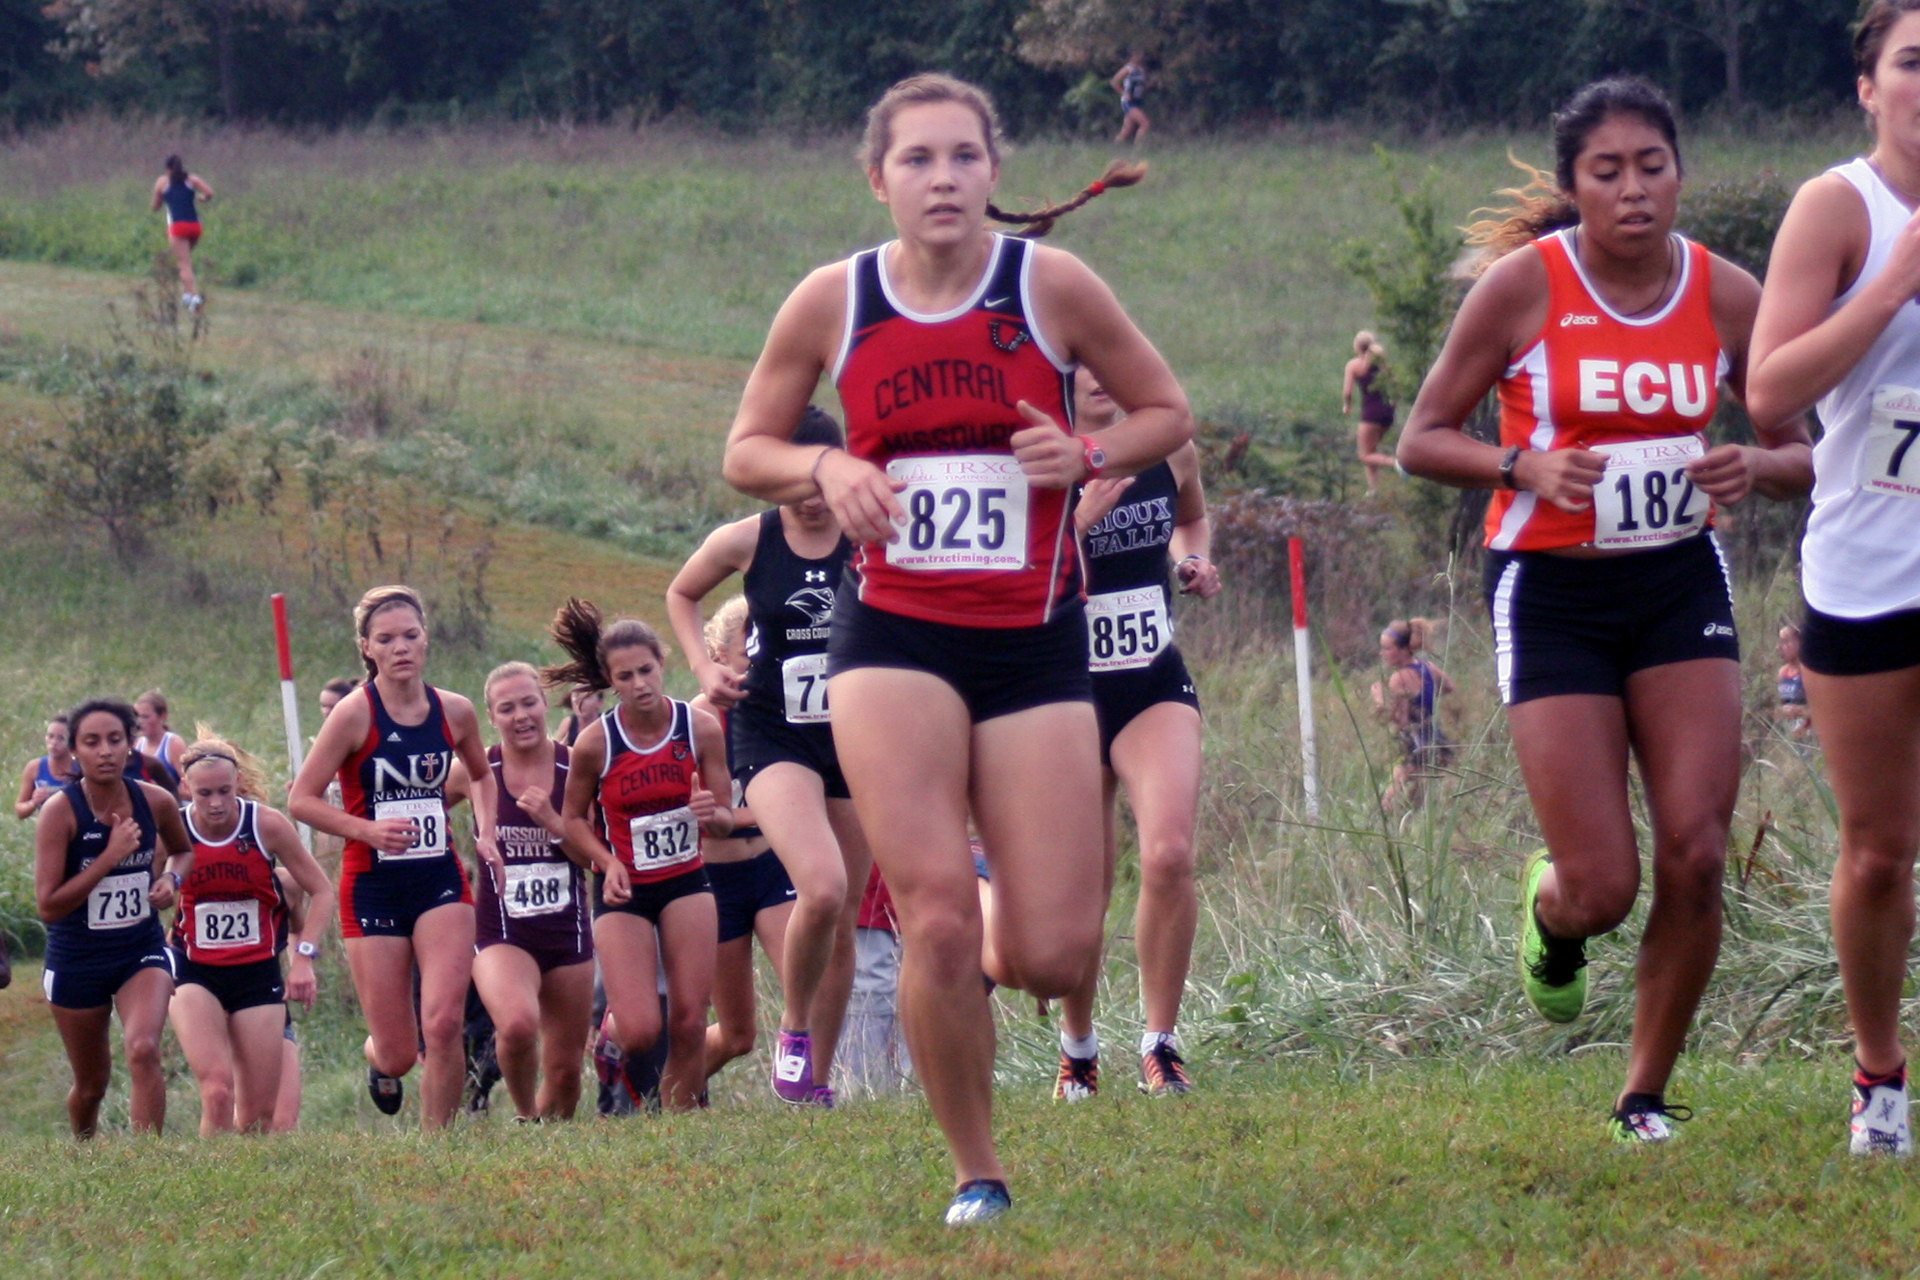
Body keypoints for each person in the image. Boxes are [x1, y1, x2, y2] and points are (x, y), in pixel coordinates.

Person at [720, 73, 1189, 1224]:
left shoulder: (1053, 285)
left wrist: (1085, 454)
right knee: (927, 912)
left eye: (964, 157)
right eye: (918, 159)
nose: (943, 178)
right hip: (893, 643)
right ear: (877, 179)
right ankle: (978, 1168)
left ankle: (986, 937)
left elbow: (1167, 414)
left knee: (1050, 949)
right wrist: (827, 466)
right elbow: (747, 448)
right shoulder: (834, 301)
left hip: (1032, 642)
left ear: (995, 171)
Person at [1396, 77, 1814, 1144]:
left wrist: (1755, 466)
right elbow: (1422, 436)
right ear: (1576, 186)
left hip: (1678, 582)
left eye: (1652, 166)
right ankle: (1552, 913)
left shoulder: (1727, 294)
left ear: (1681, 173)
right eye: (1607, 172)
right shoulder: (1522, 289)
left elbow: (1813, 449)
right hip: (1553, 593)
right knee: (1604, 882)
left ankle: (1642, 1090)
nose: (1633, 191)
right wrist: (1521, 462)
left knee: (1697, 852)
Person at [1744, 0, 1920, 1157]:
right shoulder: (1837, 207)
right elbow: (1768, 392)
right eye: (1915, 60)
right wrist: (1894, 283)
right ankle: (1879, 1079)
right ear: (1870, 85)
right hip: (1869, 570)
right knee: (1879, 849)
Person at [667, 406, 865, 1106]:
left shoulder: (870, 531)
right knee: (824, 885)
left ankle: (814, 1085)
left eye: (823, 476)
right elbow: (682, 593)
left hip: (860, 736)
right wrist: (704, 668)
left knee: (843, 923)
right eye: (796, 478)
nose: (812, 495)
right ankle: (795, 1027)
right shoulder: (747, 540)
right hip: (773, 732)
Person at [1053, 366, 1220, 1102]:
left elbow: (1192, 515)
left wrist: (1192, 557)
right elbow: (1018, 577)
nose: (1103, 380)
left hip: (1150, 674)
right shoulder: (1044, 462)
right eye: (1084, 368)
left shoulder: (1168, 445)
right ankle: (1079, 1049)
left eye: (1108, 363)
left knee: (1170, 852)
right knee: (1081, 888)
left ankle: (1160, 1043)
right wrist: (1079, 518)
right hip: (1064, 691)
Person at [288, 585, 500, 1130]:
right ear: (367, 648)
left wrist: (487, 829)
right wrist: (367, 830)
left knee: (445, 1022)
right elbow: (301, 799)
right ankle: (377, 1058)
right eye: (386, 639)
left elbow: (480, 773)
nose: (401, 647)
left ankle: (438, 1148)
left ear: (426, 639)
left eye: (410, 635)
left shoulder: (454, 710)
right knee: (400, 1052)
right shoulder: (354, 715)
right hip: (373, 886)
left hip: (440, 879)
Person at [547, 600, 732, 1112]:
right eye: (625, 676)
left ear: (662, 664)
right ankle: (611, 1040)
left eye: (646, 671)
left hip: (686, 880)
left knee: (692, 1017)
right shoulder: (595, 743)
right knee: (641, 1031)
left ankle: (677, 1120)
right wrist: (606, 863)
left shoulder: (699, 728)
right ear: (611, 680)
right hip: (623, 890)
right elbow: (571, 822)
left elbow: (723, 815)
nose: (640, 684)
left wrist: (708, 812)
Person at [33, 698, 192, 1137]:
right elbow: (48, 905)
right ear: (74, 751)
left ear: (130, 745)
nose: (104, 750)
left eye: (114, 740)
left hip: (139, 948)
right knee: (91, 1084)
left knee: (143, 1049)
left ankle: (145, 1167)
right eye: (92, 742)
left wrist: (171, 882)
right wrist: (109, 857)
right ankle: (84, 1152)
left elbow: (182, 851)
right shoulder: (59, 812)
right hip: (77, 957)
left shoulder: (154, 800)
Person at [445, 661, 596, 1122]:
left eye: (529, 703)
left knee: (567, 1071)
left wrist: (554, 822)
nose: (521, 716)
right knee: (515, 1025)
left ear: (546, 703)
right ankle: (526, 1118)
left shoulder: (577, 766)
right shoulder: (477, 771)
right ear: (491, 718)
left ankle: (551, 1142)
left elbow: (596, 860)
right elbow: (417, 802)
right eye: (507, 708)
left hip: (567, 936)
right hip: (501, 933)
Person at [168, 733, 334, 1135]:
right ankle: (207, 1188)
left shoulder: (265, 825)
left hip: (257, 974)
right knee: (219, 1090)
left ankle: (247, 1190)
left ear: (238, 783)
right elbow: (142, 887)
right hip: (194, 971)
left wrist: (303, 960)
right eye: (204, 793)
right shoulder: (173, 826)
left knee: (259, 1116)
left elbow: (322, 890)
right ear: (187, 789)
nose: (216, 803)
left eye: (224, 791)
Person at [682, 596, 797, 1086]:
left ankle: (805, 1089)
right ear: (717, 657)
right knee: (736, 1036)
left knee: (809, 994)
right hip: (716, 881)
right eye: (747, 650)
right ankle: (665, 1092)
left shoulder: (781, 705)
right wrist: (772, 814)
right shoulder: (698, 720)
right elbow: (705, 816)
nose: (758, 658)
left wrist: (751, 817)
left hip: (772, 870)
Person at [836, 864, 911, 1096]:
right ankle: (864, 1089)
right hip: (869, 880)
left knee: (934, 974)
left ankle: (921, 1087)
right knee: (870, 981)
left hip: (929, 870)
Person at [1370, 618, 1457, 809]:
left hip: (1415, 743)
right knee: (1421, 798)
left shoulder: (1398, 678)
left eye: (1387, 648)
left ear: (1403, 650)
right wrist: (1427, 696)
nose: (1382, 654)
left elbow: (1400, 721)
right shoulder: (1427, 667)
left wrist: (1379, 699)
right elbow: (1449, 685)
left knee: (1389, 802)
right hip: (1435, 736)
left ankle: (1387, 827)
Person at [151, 155, 212, 313]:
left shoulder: (162, 183)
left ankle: (194, 297)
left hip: (178, 227)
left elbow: (155, 207)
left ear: (167, 169)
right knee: (186, 260)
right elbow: (209, 193)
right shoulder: (192, 180)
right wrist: (202, 198)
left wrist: (164, 199)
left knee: (183, 263)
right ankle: (186, 295)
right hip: (195, 226)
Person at [1343, 332, 1399, 494]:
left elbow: (1347, 393)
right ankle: (1373, 490)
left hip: (1371, 413)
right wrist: (1392, 405)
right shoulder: (1382, 364)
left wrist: (1347, 406)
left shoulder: (1354, 365)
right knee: (1371, 451)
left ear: (1357, 346)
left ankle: (1397, 464)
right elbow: (1396, 386)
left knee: (1365, 455)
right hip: (1387, 413)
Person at [16, 714, 79, 819]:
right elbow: (20, 811)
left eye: (61, 738)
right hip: (47, 830)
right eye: (50, 736)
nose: (54, 743)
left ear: (72, 742)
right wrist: (34, 802)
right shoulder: (35, 768)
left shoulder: (81, 768)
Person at [134, 690, 185, 792]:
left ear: (163, 716)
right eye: (137, 717)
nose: (139, 723)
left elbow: (193, 790)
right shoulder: (137, 744)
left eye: (145, 717)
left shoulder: (174, 744)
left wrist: (163, 788)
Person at [1775, 624, 1811, 738]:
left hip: (1810, 737)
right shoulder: (1782, 673)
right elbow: (1777, 709)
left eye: (1785, 642)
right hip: (1790, 739)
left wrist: (1799, 711)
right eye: (1779, 642)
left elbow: (1825, 712)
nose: (1779, 647)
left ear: (1799, 642)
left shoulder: (1809, 672)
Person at [1112, 54, 1150, 146]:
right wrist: (1124, 93)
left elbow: (1141, 84)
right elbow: (1114, 82)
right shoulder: (1128, 69)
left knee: (1126, 132)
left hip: (1137, 100)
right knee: (1145, 123)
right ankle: (1138, 149)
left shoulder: (1141, 70)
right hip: (1128, 102)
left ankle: (1114, 148)